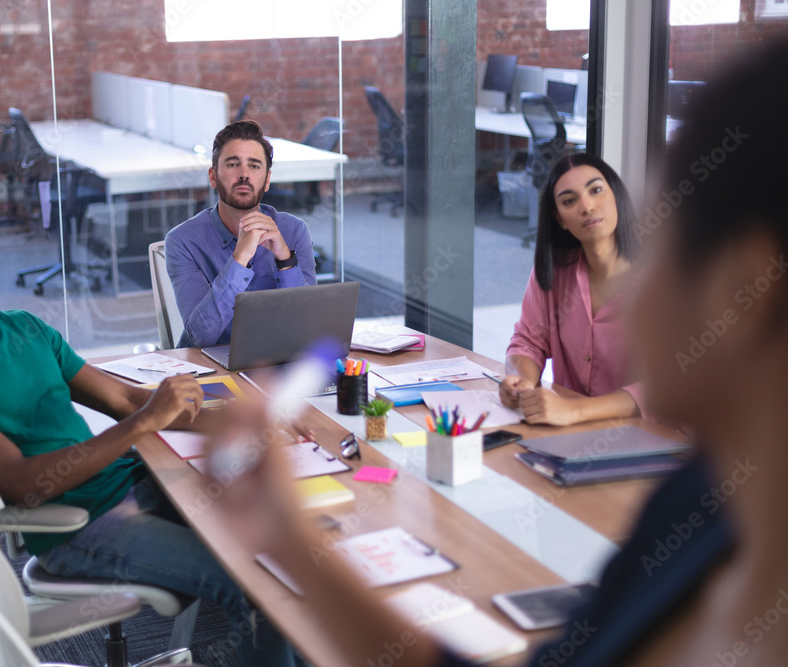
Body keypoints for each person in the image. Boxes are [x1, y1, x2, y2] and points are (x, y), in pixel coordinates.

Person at [198, 43, 788, 666]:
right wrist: (288, 538)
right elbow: (525, 343)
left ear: (741, 283)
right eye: (570, 200)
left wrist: (288, 541)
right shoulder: (688, 517)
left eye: (663, 244)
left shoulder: (697, 526)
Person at [0, 204, 303, 666]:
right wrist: (144, 422)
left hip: (130, 482)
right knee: (249, 581)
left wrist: (248, 421)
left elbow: (128, 401)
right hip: (76, 526)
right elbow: (21, 482)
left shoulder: (25, 328)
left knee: (279, 541)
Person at [499, 152, 643, 426]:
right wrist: (521, 382)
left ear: (616, 195)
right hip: (572, 432)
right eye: (569, 200)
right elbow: (529, 340)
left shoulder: (663, 278)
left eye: (596, 190)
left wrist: (575, 410)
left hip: (652, 436)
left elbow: (667, 385)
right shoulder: (554, 272)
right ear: (560, 218)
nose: (586, 207)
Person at [165, 120, 317, 348]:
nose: (244, 174)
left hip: (277, 362)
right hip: (208, 364)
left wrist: (286, 260)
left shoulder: (294, 231)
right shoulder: (182, 241)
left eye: (254, 166)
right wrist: (239, 260)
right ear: (213, 177)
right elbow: (200, 338)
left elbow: (309, 326)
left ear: (267, 180)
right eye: (233, 164)